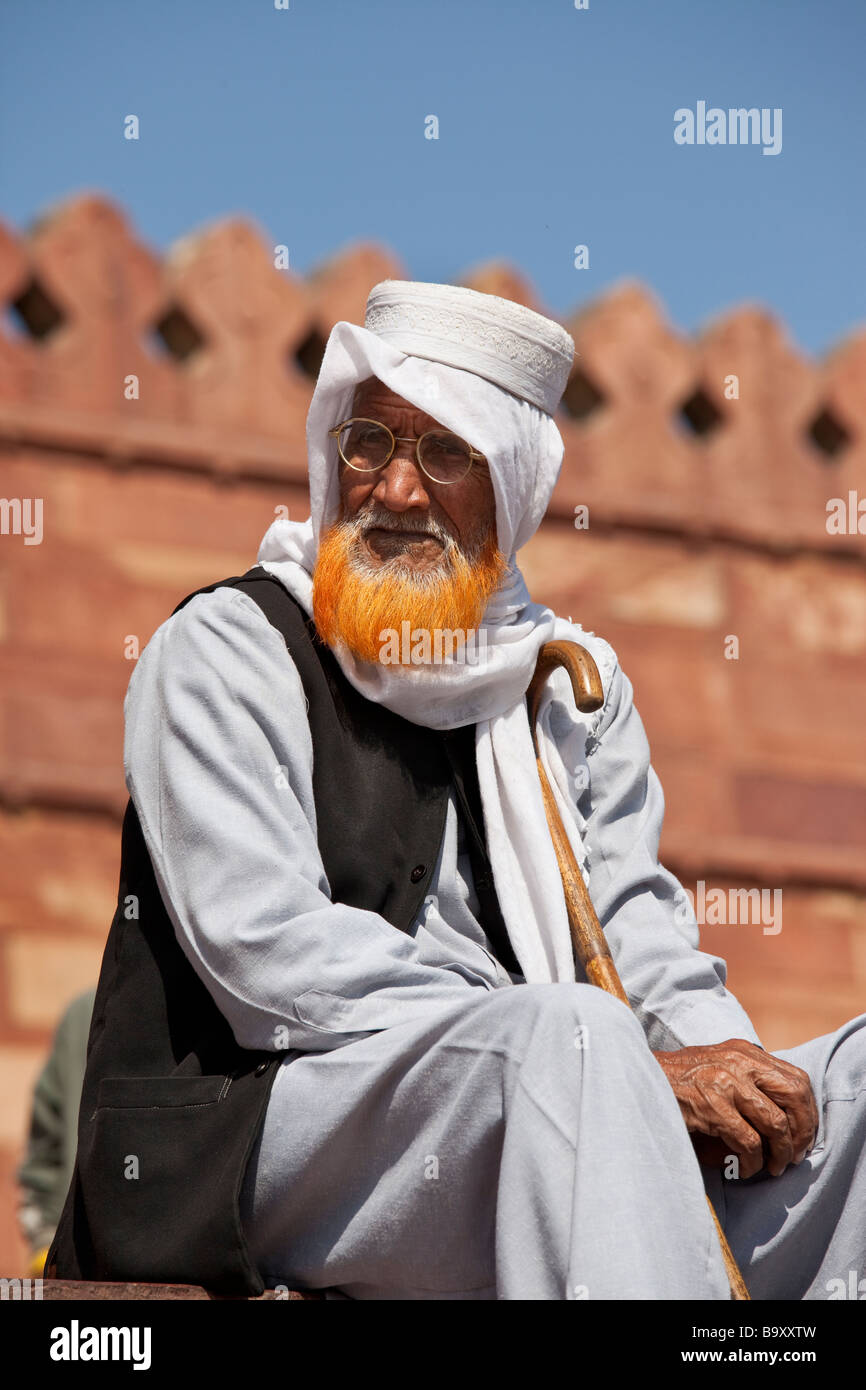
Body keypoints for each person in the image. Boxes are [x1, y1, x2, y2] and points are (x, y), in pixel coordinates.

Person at [48, 281, 865, 1300]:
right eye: (369, 446)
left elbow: (639, 939)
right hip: (270, 1144)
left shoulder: (567, 686)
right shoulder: (226, 650)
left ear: (511, 486)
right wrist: (610, 1071)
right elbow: (267, 954)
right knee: (573, 1041)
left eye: (444, 455)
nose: (394, 490)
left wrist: (723, 1070)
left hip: (563, 1109)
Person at [17, 987, 95, 1277]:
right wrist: (46, 1245)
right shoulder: (84, 1016)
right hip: (79, 1266)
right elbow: (44, 1155)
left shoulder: (228, 1013)